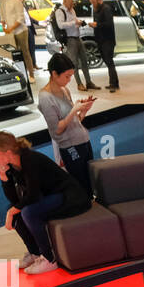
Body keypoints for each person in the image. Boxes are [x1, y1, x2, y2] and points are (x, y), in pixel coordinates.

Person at [0, 131, 90, 275]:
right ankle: (34, 253)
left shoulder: (30, 160)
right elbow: (16, 200)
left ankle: (49, 259)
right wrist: (4, 177)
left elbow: (33, 196)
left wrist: (12, 212)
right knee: (15, 209)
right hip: (50, 196)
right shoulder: (14, 165)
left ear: (7, 152)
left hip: (70, 196)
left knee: (28, 212)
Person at [40, 54, 97, 194]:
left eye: (71, 76)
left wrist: (83, 111)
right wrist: (74, 111)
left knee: (91, 179)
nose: (69, 80)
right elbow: (56, 130)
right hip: (70, 146)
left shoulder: (64, 90)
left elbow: (74, 121)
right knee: (80, 183)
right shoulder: (45, 97)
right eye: (67, 76)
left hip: (83, 140)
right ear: (54, 74)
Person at [52, 0, 100, 90]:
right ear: (65, 2)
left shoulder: (72, 10)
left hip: (78, 37)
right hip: (70, 39)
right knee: (74, 64)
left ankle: (89, 82)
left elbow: (74, 22)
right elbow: (61, 25)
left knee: (84, 61)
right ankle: (79, 84)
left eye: (72, 1)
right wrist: (74, 23)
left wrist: (79, 23)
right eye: (70, 2)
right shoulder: (60, 12)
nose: (72, 4)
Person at [0, 0, 33, 77]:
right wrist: (3, 25)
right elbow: (2, 15)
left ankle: (31, 75)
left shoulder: (16, 1)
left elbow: (20, 19)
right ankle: (20, 74)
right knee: (14, 54)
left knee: (25, 52)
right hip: (10, 32)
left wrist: (11, 28)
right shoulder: (1, 1)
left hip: (21, 31)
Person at [88, 0, 120, 90]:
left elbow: (109, 24)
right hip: (100, 39)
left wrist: (97, 25)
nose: (92, 4)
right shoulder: (96, 9)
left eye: (93, 1)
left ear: (98, 0)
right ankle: (113, 83)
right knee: (107, 61)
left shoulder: (106, 9)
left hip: (108, 39)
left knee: (109, 62)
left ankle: (114, 84)